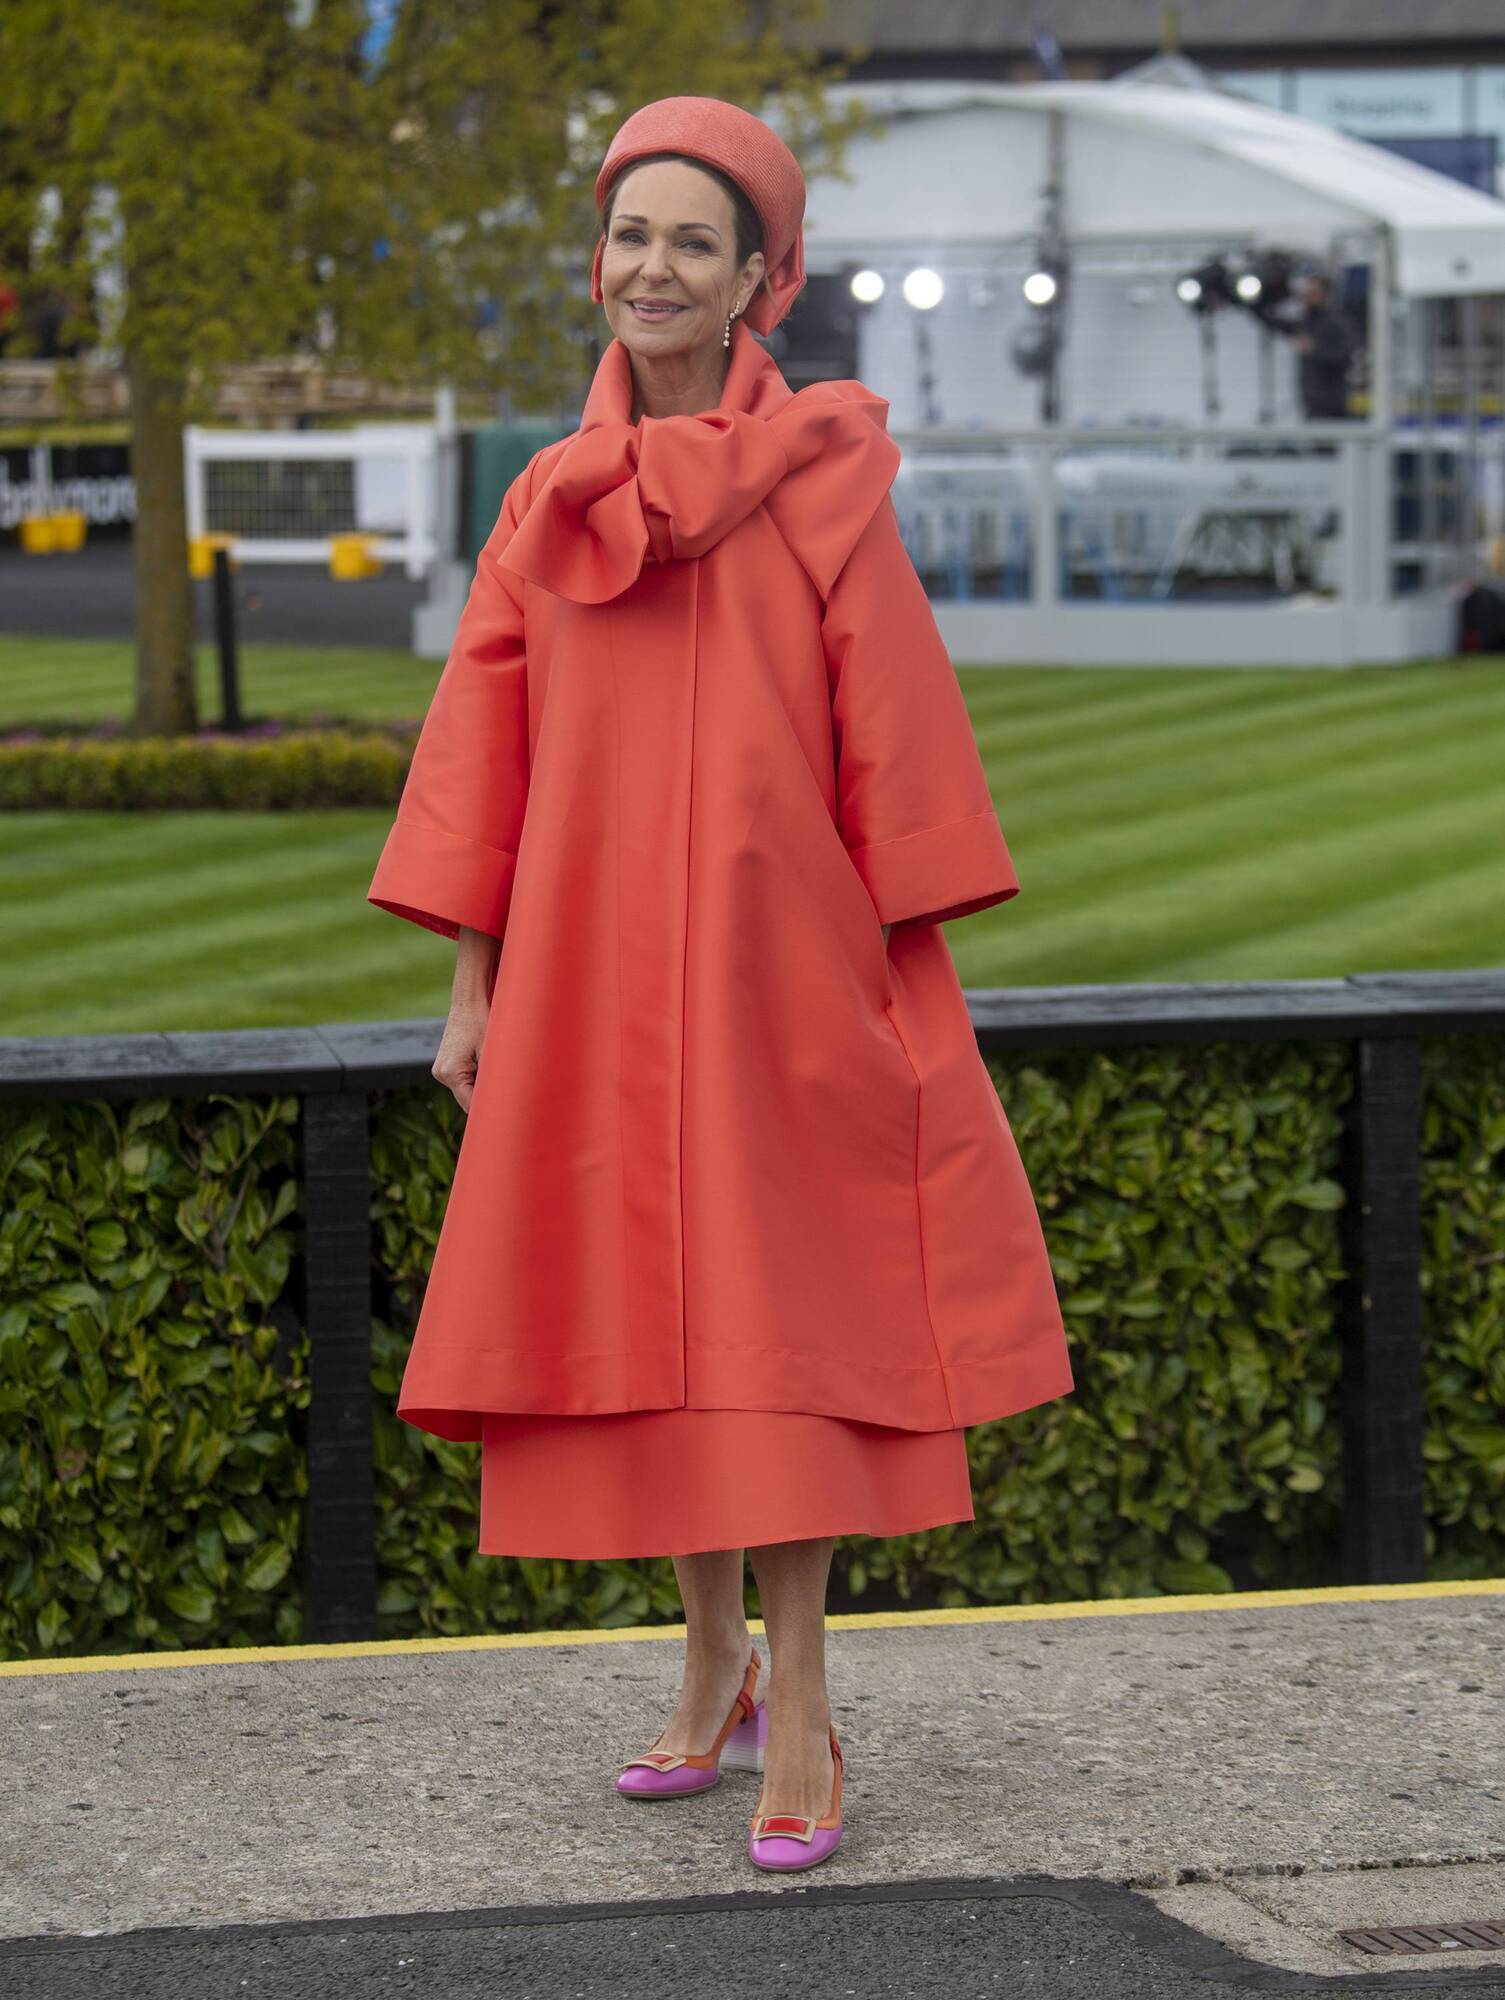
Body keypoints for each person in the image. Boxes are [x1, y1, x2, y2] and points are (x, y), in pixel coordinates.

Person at [366, 94, 1074, 1874]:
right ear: (593, 263)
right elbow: (489, 752)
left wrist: (890, 980)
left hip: (781, 977)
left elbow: (894, 748)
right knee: (656, 1338)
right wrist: (474, 989)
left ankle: (808, 1701)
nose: (651, 268)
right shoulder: (549, 498)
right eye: (629, 235)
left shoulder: (828, 481)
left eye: (694, 239)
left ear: (763, 276)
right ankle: (709, 1669)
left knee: (781, 1340)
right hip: (596, 978)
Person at [1291, 270, 1358, 421]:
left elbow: (1346, 356)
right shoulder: (1305, 321)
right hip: (1312, 402)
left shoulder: (1338, 322)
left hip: (1332, 403)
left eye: (1313, 292)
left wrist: (1314, 350)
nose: (1307, 296)